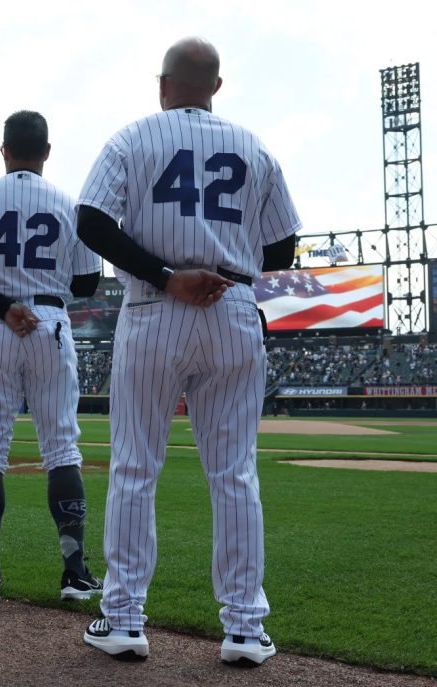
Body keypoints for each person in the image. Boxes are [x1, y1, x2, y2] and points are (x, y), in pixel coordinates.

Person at [75, 37, 300, 664]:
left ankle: (122, 619)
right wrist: (228, 263)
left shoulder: (131, 138)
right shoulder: (253, 146)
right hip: (231, 310)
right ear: (217, 87)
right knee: (234, 473)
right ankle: (246, 629)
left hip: (154, 307)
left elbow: (91, 222)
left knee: (134, 467)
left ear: (162, 83)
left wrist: (169, 275)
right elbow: (282, 249)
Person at [0, 111, 104, 603]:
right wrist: (41, 295)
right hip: (50, 326)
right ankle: (74, 572)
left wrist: (5, 306)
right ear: (46, 152)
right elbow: (89, 281)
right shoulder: (68, 204)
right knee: (62, 447)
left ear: (4, 150)